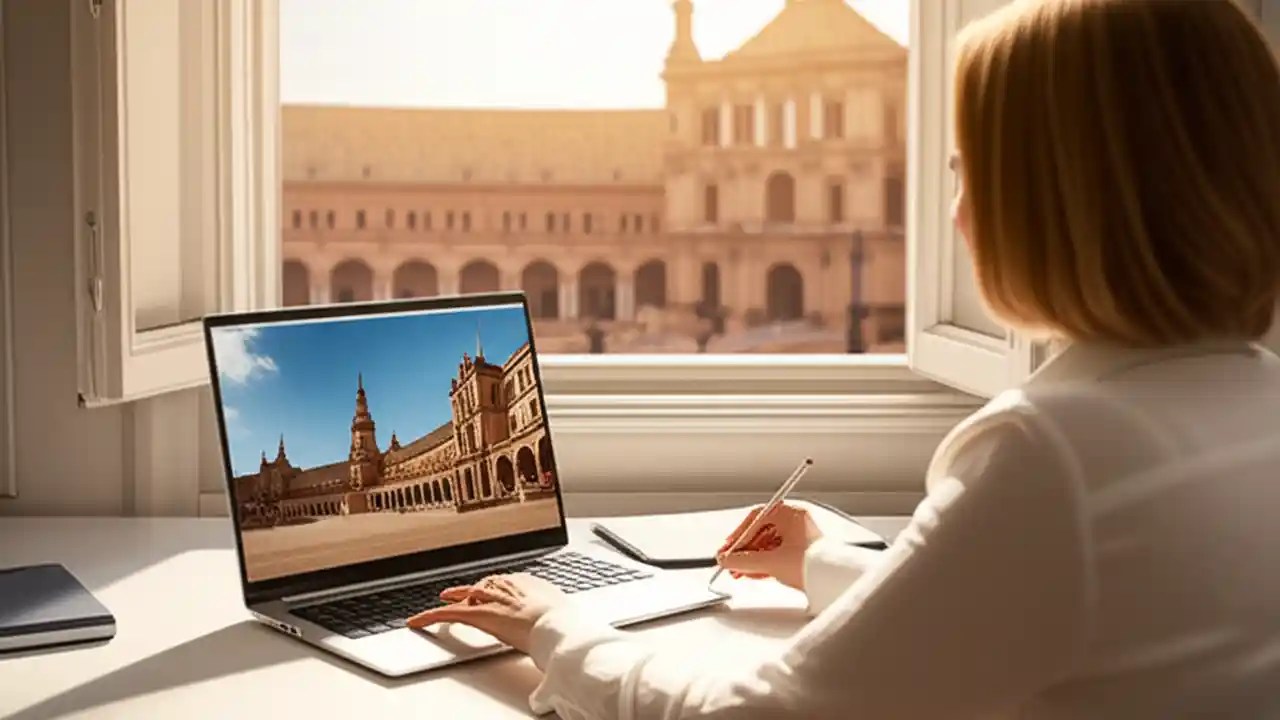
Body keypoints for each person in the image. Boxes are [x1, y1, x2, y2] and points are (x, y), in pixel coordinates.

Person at [406, 1, 1280, 716]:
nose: (955, 213)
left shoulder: (1053, 451)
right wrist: (818, 560)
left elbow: (760, 717)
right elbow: (1023, 601)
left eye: (966, 172)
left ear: (1050, 202)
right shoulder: (1253, 403)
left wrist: (556, 628)